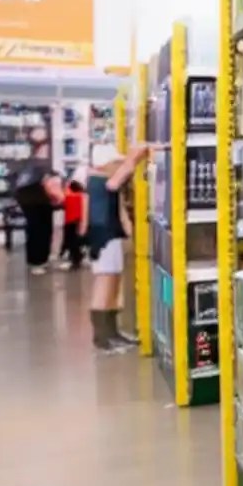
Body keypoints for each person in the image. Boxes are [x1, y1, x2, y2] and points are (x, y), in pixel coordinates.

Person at [83, 144, 150, 352]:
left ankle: (112, 333)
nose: (119, 166)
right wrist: (135, 157)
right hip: (103, 238)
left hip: (107, 237)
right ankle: (103, 338)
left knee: (112, 283)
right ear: (105, 165)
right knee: (105, 284)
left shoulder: (98, 180)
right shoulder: (100, 180)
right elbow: (119, 178)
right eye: (116, 163)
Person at [11, 147, 62, 275]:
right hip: (35, 203)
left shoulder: (31, 169)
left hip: (40, 202)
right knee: (37, 231)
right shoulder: (36, 169)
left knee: (42, 230)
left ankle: (41, 260)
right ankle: (36, 261)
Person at [60, 179, 87, 270]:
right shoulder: (81, 196)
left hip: (69, 222)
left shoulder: (68, 196)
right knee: (75, 240)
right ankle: (77, 256)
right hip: (78, 221)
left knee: (70, 240)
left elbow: (61, 203)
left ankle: (75, 258)